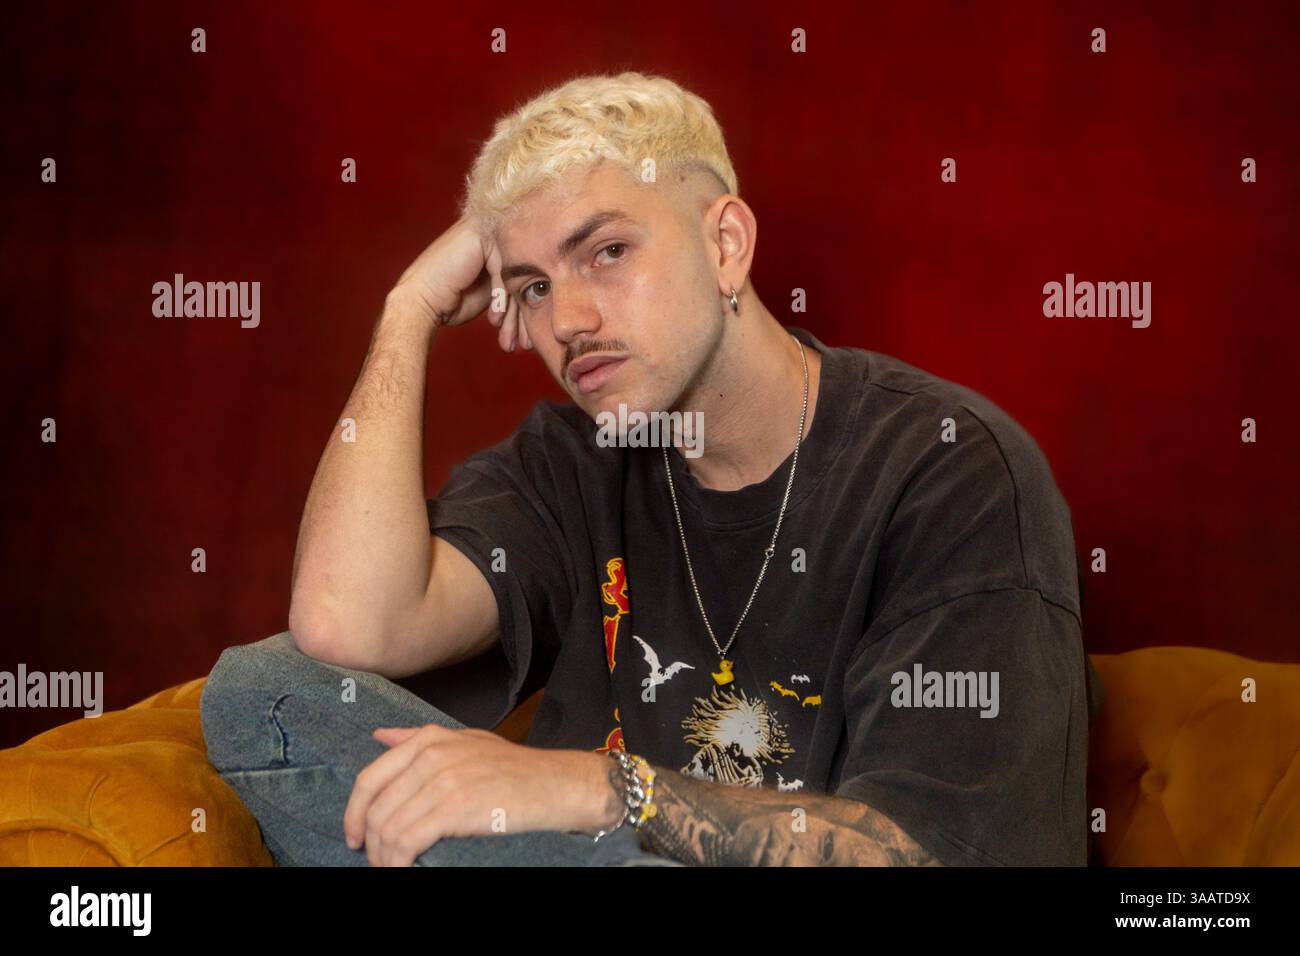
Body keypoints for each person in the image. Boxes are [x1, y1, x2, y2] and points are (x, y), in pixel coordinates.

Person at [200, 70, 1102, 868]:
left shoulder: (949, 473)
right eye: (533, 285)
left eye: (608, 251)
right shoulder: (571, 465)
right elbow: (344, 624)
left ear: (726, 246)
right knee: (260, 692)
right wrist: (409, 310)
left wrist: (603, 790)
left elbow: (924, 861)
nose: (568, 321)